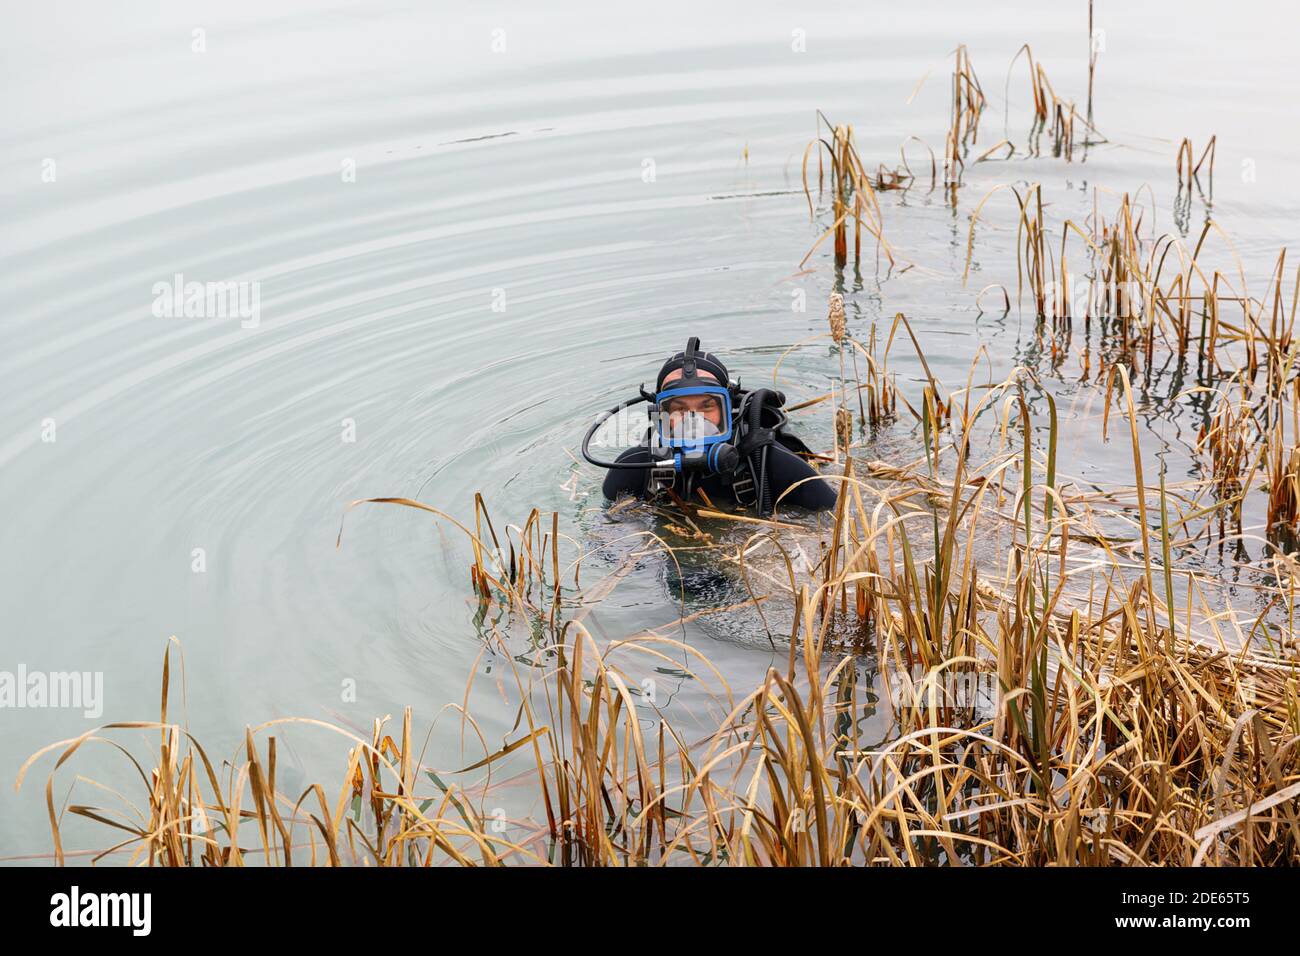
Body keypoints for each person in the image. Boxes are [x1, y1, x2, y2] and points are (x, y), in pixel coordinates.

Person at [590, 338, 838, 513]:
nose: (694, 420)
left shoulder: (763, 461)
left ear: (727, 410)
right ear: (659, 415)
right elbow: (608, 537)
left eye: (707, 406)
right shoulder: (637, 466)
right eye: (679, 409)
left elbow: (834, 517)